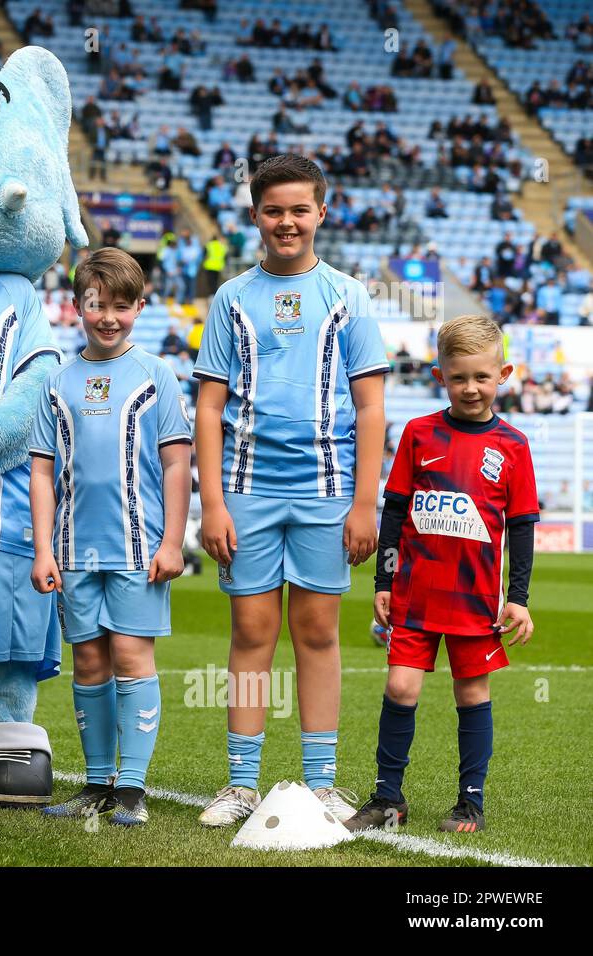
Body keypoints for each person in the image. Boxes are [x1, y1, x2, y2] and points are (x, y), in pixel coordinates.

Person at [193, 154, 388, 827]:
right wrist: (212, 502)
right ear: (255, 215)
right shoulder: (231, 299)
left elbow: (369, 406)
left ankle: (322, 783)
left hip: (327, 489)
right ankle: (241, 784)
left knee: (317, 630)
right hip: (247, 490)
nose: (286, 221)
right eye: (273, 210)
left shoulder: (348, 295)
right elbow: (210, 407)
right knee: (251, 630)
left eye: (299, 209)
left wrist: (367, 503)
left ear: (321, 213)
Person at [348, 315, 538, 835]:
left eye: (481, 376)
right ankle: (388, 797)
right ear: (440, 376)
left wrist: (517, 598)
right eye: (459, 378)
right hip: (413, 597)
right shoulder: (418, 433)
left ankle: (470, 802)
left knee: (472, 695)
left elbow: (522, 527)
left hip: (475, 602)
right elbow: (393, 512)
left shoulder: (514, 446)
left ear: (504, 373)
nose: (470, 388)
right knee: (400, 687)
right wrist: (383, 582)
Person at [30, 249, 192, 827]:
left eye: (122, 307)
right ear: (78, 307)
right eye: (97, 305)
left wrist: (173, 541)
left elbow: (177, 464)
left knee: (130, 656)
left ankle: (132, 787)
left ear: (139, 308)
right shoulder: (57, 382)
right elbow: (44, 473)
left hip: (138, 549)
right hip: (75, 550)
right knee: (90, 662)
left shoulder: (157, 375)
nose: (109, 317)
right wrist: (44, 548)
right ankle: (97, 782)